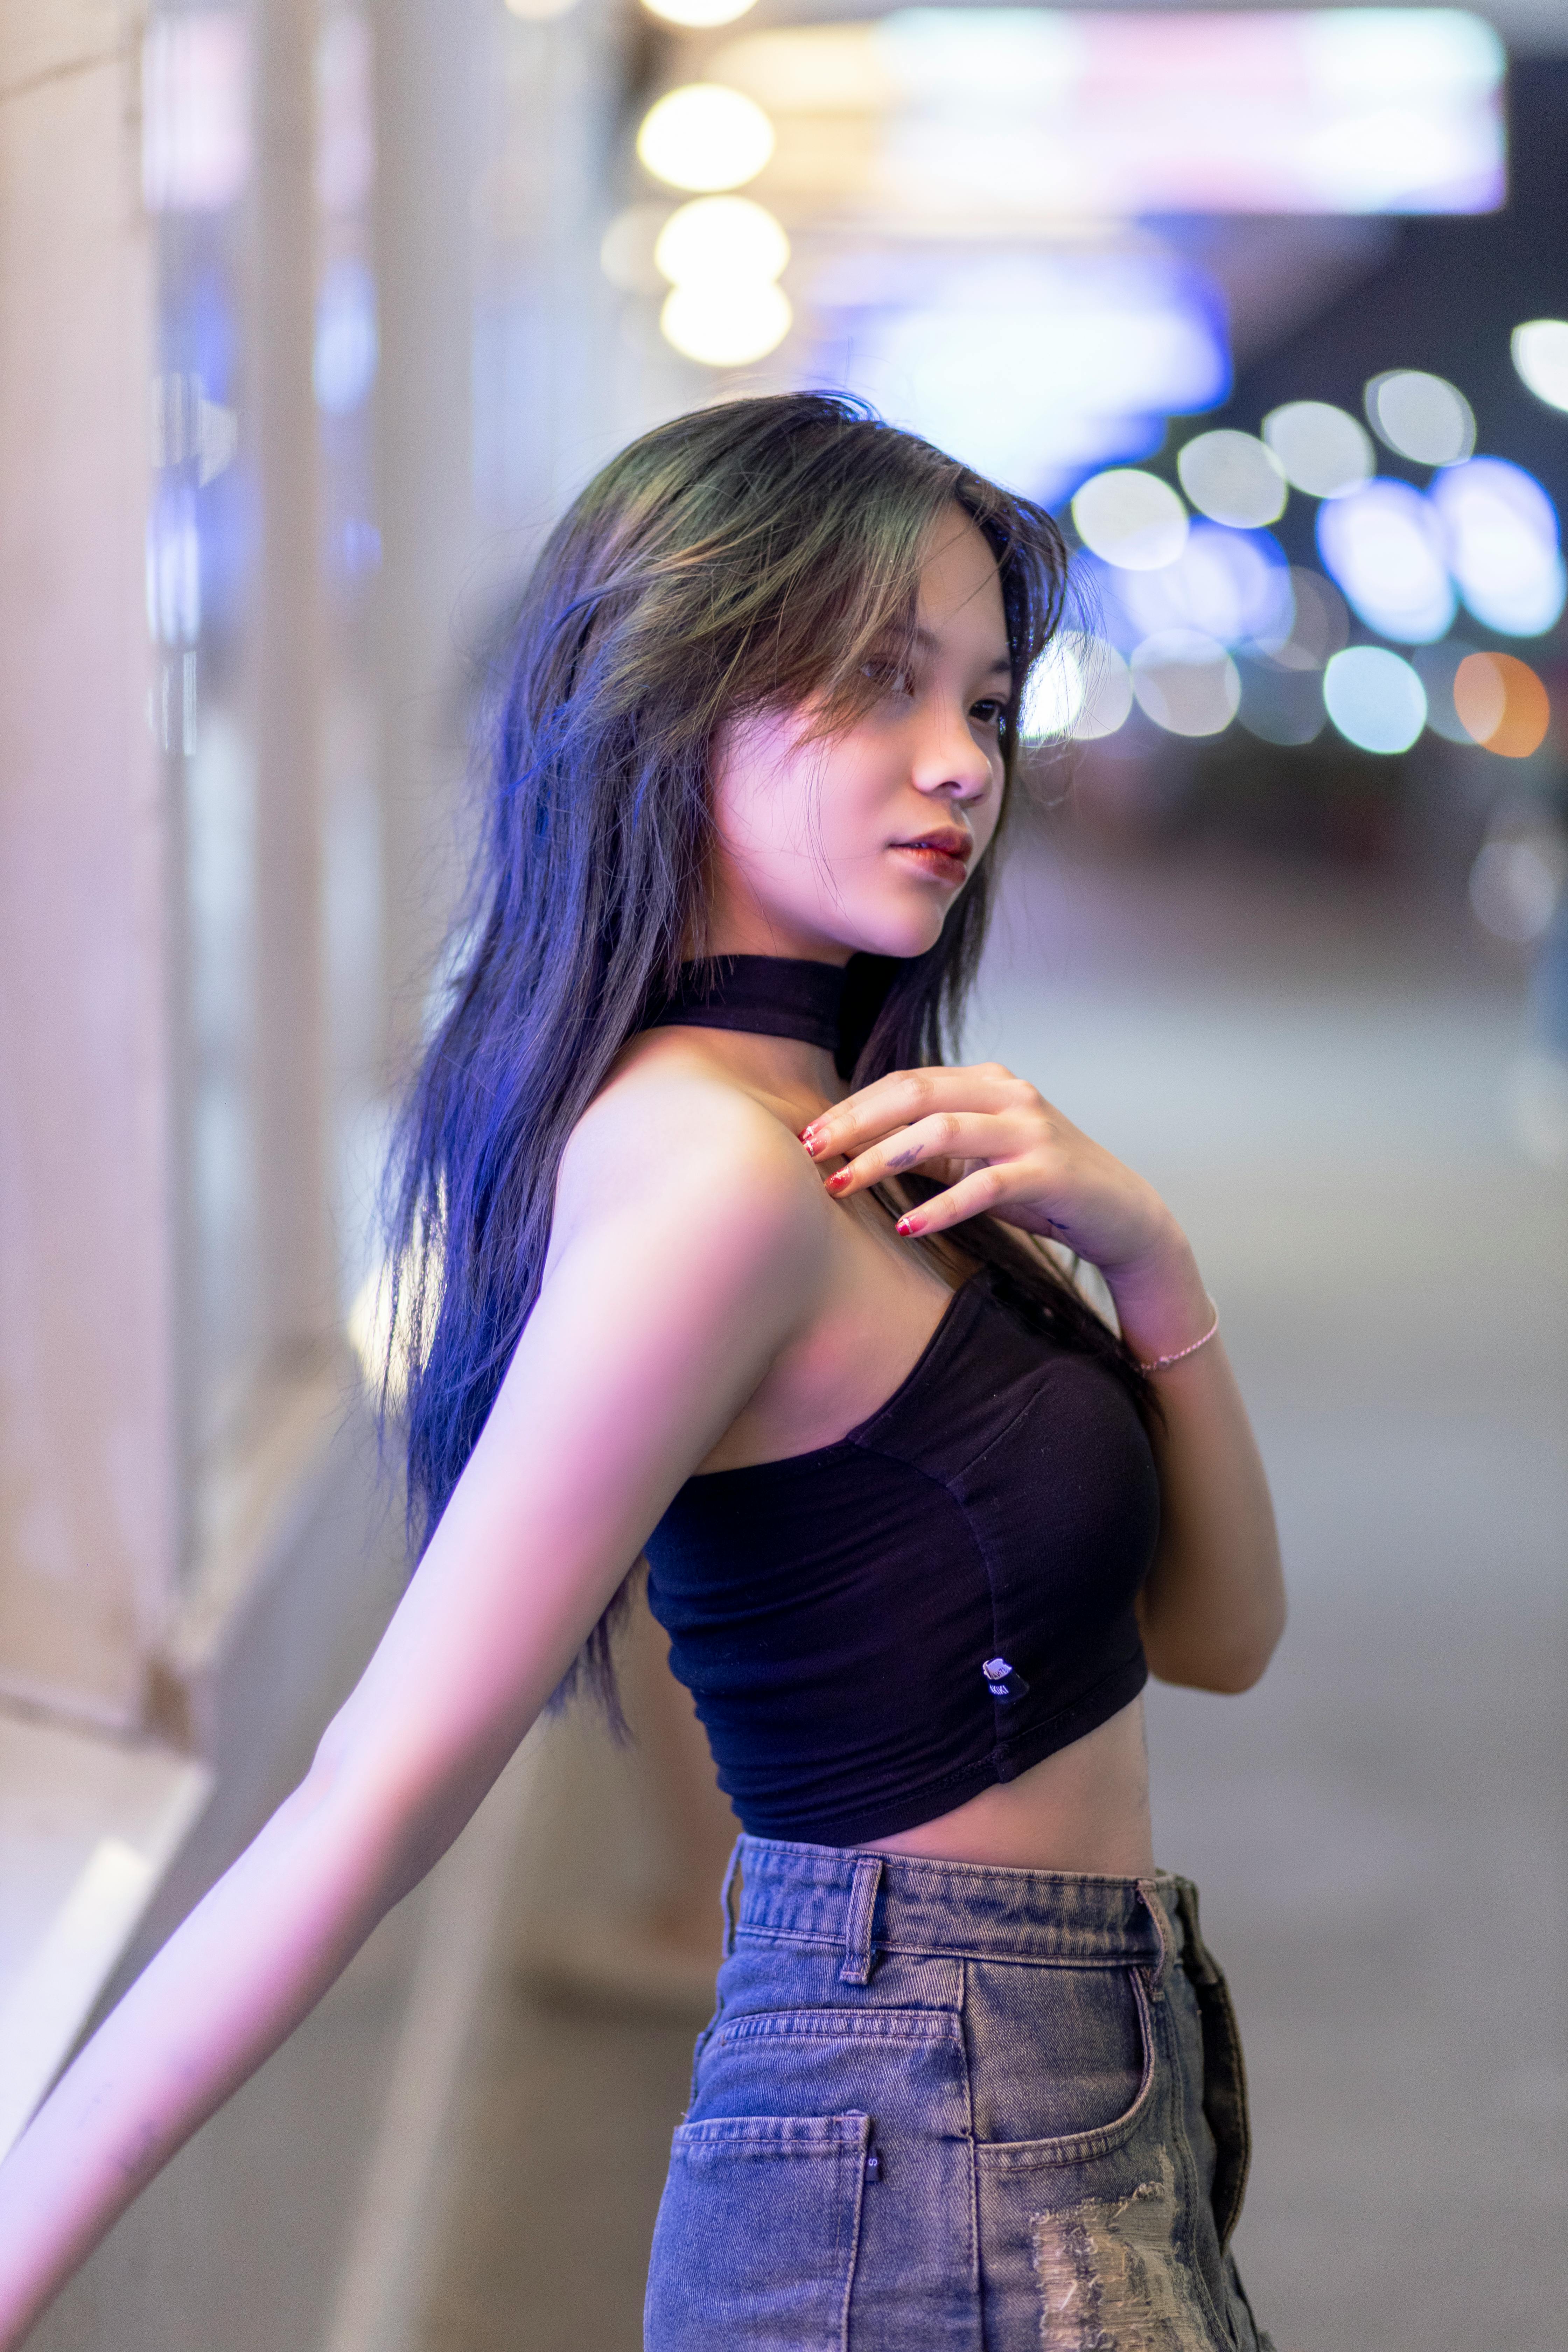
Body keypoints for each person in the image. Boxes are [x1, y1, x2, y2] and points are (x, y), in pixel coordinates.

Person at [0, 393, 1285, 2348]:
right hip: (931, 2141)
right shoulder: (709, 1179)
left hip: (1053, 2091)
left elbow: (1216, 1634)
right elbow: (383, 1783)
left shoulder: (855, 1132)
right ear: (670, 696)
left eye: (992, 707)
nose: (961, 768)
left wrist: (1152, 1265)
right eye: (880, 685)